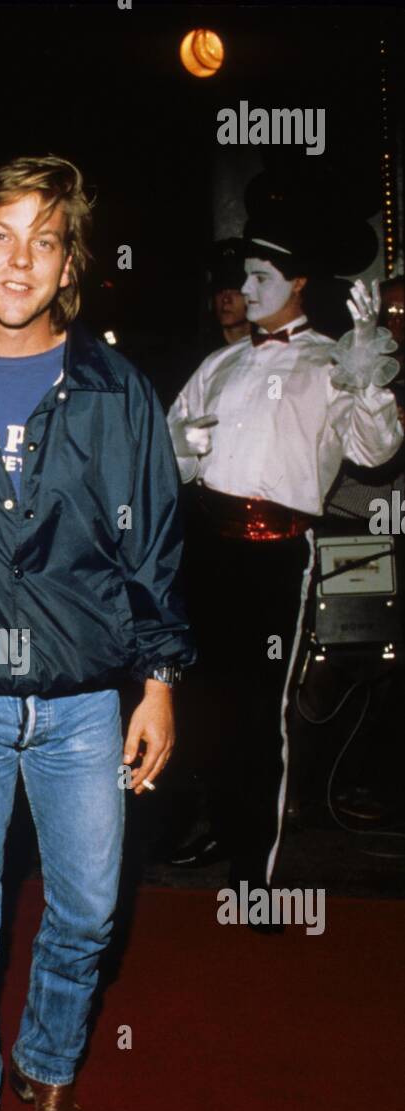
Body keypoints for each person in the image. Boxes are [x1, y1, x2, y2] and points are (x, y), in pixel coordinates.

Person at [0, 155, 193, 1111]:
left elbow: (154, 546)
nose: (19, 257)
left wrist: (159, 681)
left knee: (85, 907)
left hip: (86, 698)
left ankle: (47, 1065)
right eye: (0, 233)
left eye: (43, 238)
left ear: (68, 263)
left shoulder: (114, 388)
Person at [166, 212, 403, 918]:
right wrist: (179, 447)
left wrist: (366, 376)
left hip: (273, 556)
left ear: (298, 282)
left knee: (258, 713)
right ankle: (205, 829)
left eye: (259, 276)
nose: (243, 287)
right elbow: (174, 460)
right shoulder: (220, 364)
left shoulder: (334, 360)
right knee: (198, 702)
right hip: (201, 546)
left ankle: (253, 871)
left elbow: (374, 451)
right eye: (242, 277)